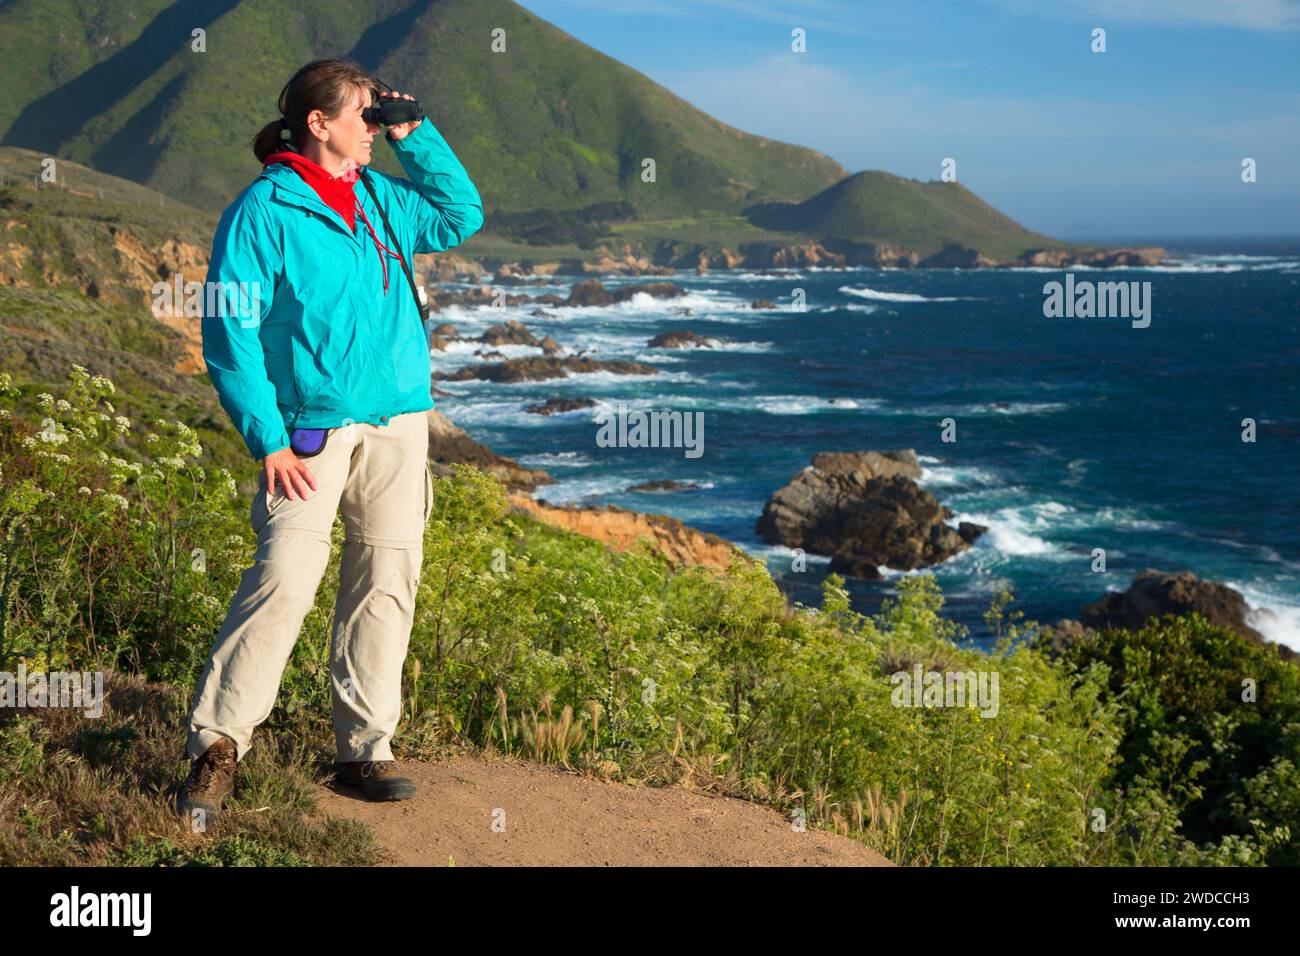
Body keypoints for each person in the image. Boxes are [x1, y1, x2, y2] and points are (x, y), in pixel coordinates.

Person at [178, 58, 483, 824]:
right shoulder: (263, 209)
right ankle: (217, 747)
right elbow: (229, 332)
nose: (375, 130)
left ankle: (364, 752)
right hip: (306, 433)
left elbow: (459, 215)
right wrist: (268, 439)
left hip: (400, 421)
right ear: (321, 123)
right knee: (283, 578)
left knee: (386, 583)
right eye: (366, 116)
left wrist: (417, 132)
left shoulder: (383, 198)